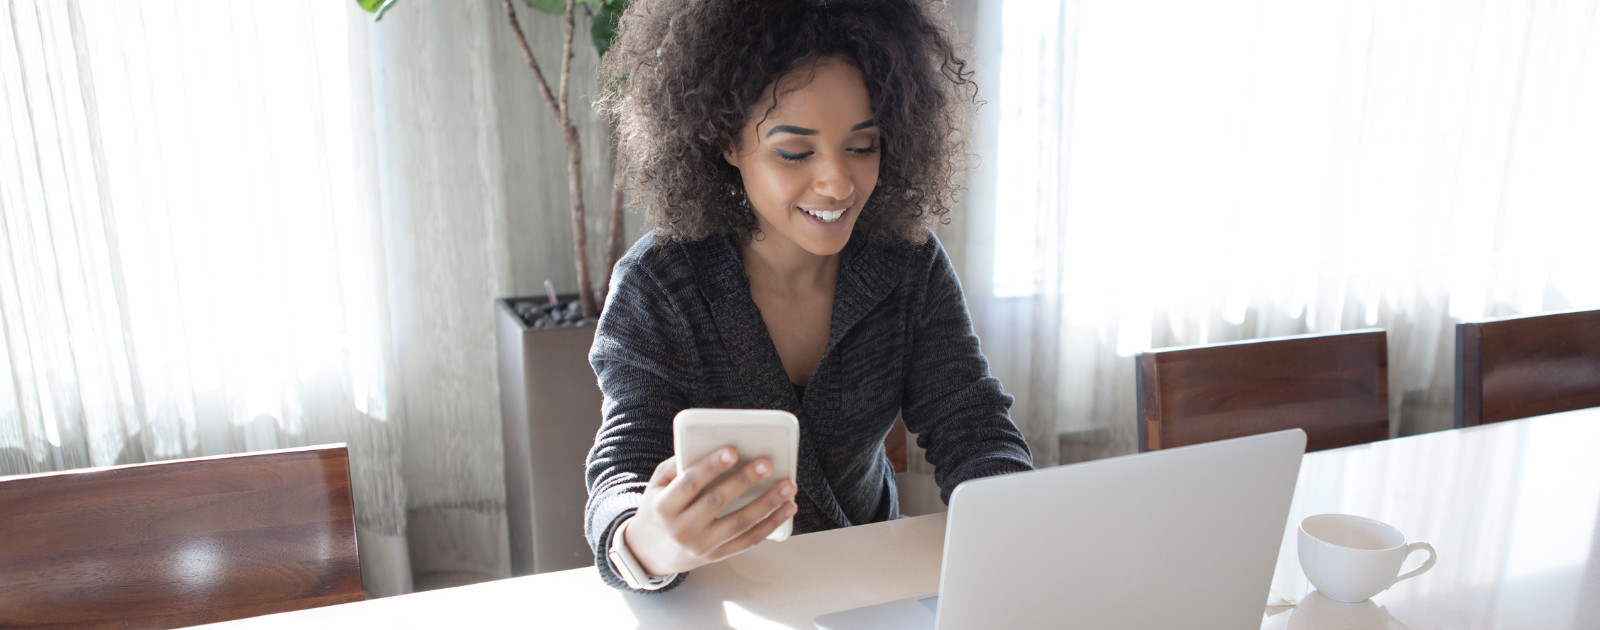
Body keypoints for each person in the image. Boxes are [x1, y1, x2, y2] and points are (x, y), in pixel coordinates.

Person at [585, 0, 1034, 593]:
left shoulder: (906, 262)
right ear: (725, 140)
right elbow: (622, 473)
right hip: (722, 598)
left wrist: (1018, 532)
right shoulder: (659, 285)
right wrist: (648, 543)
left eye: (863, 145)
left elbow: (971, 423)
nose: (838, 183)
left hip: (872, 588)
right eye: (794, 152)